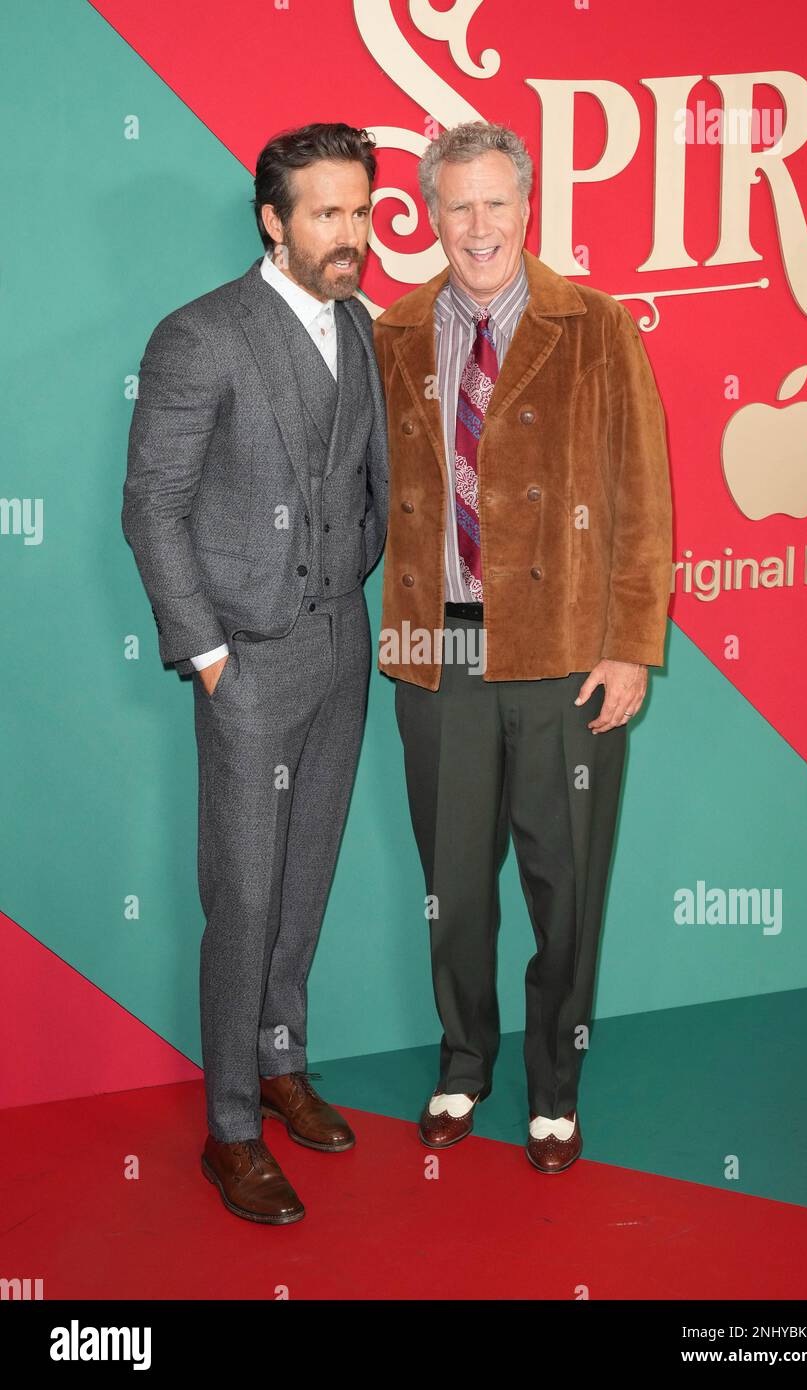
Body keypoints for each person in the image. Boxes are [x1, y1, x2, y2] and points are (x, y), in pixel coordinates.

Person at [372, 120, 672, 1174]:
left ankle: (555, 1084)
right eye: (458, 205)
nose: (479, 225)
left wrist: (630, 644)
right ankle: (463, 1062)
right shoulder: (393, 333)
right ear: (431, 216)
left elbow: (640, 501)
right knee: (453, 889)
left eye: (496, 202)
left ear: (527, 207)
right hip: (437, 658)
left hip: (563, 664)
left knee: (564, 886)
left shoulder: (593, 325)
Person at [122, 123, 388, 1223]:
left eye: (361, 212)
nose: (349, 236)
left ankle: (282, 1063)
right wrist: (212, 655)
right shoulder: (199, 336)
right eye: (325, 213)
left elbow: (364, 474)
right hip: (248, 663)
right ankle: (230, 1126)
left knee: (304, 875)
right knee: (241, 894)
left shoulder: (361, 324)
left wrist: (356, 572)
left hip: (340, 648)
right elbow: (152, 508)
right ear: (272, 221)